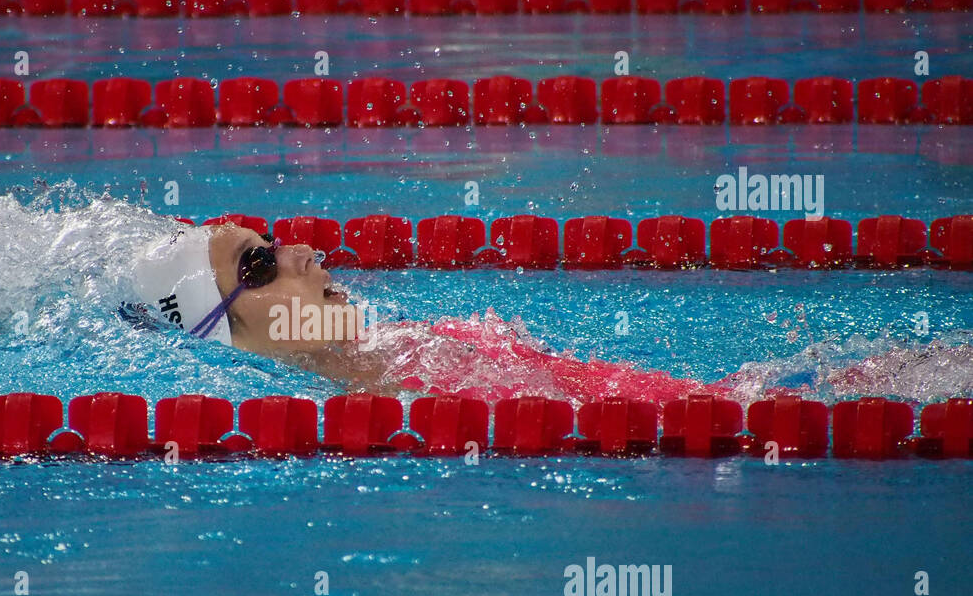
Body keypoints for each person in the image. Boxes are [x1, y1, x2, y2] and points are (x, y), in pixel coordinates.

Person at [130, 222, 738, 404]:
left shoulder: (402, 353)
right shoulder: (397, 410)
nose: (302, 252)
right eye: (259, 264)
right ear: (224, 336)